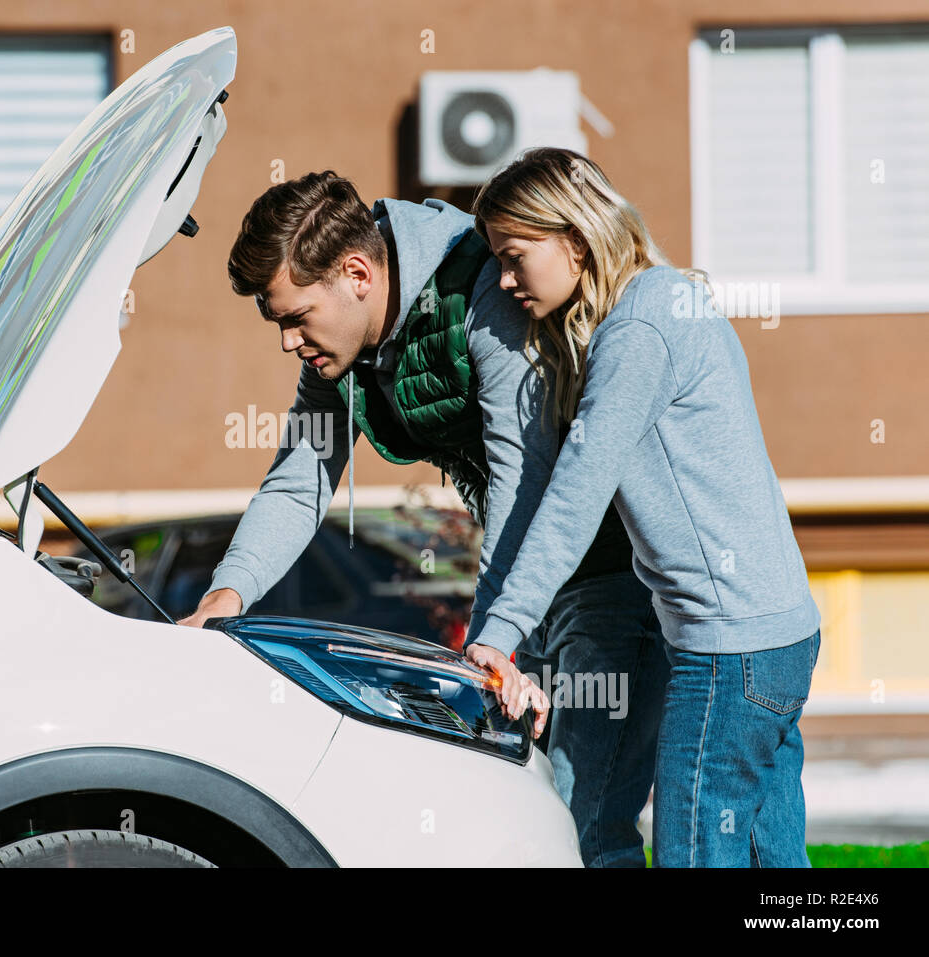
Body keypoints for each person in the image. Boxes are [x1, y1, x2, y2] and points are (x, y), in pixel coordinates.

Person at [178, 170, 671, 866]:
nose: (289, 341)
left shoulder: (476, 292)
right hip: (531, 583)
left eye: (294, 317)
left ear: (356, 273)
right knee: (528, 816)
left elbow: (520, 475)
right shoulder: (337, 356)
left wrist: (499, 634)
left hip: (607, 568)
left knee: (580, 822)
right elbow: (299, 481)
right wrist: (222, 601)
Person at [463, 146, 822, 867]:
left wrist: (497, 632)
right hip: (778, 636)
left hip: (726, 651)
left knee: (695, 851)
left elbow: (573, 498)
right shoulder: (665, 302)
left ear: (572, 236)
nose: (503, 280)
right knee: (771, 865)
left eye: (513, 254)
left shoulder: (638, 333)